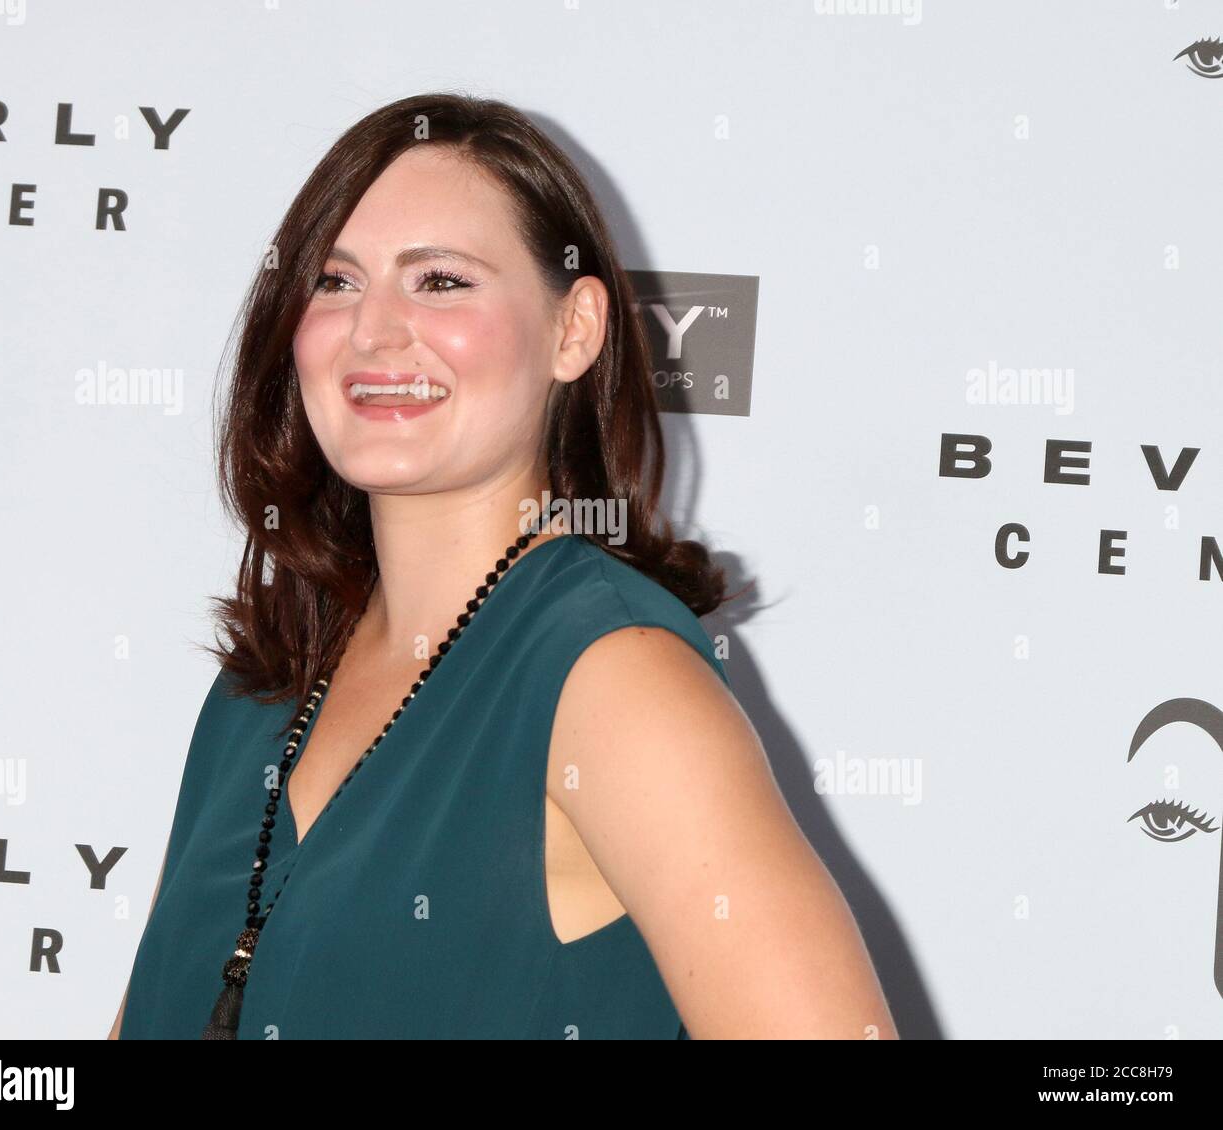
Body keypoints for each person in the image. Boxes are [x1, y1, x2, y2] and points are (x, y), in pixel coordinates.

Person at [110, 91, 897, 1039]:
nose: (374, 331)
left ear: (574, 331)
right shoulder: (259, 690)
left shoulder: (612, 678)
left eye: (440, 281)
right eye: (334, 280)